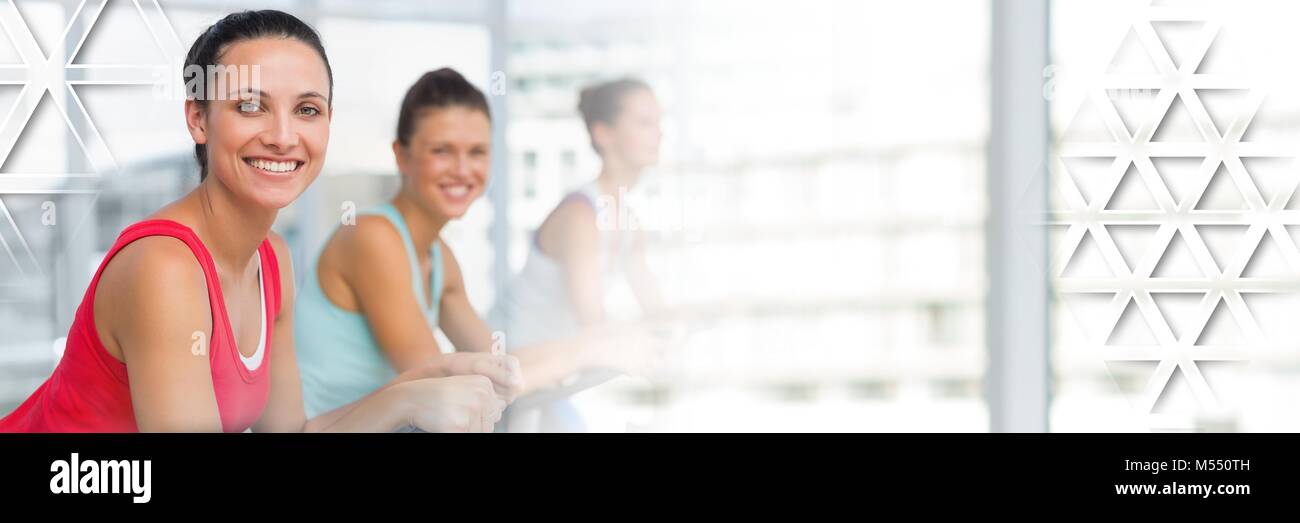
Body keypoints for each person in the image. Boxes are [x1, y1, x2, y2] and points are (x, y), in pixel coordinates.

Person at [0, 10, 514, 433]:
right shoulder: (166, 269)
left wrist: (411, 393)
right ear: (198, 119)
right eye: (251, 106)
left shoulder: (273, 261)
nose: (284, 136)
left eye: (308, 110)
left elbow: (291, 433)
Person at [487, 78, 668, 432]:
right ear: (603, 133)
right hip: (511, 378)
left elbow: (656, 311)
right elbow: (594, 323)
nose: (659, 134)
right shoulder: (582, 214)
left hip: (554, 376)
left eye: (659, 122)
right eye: (645, 123)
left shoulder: (628, 220)